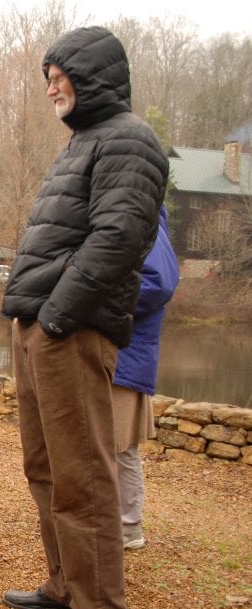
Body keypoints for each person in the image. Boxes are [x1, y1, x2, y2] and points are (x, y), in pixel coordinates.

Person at [0, 27, 169, 609]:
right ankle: (66, 584)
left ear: (93, 74)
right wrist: (28, 316)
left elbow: (118, 239)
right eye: (47, 76)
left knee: (84, 475)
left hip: (70, 330)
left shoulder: (130, 140)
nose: (51, 86)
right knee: (44, 466)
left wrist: (56, 317)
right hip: (40, 326)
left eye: (60, 74)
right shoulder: (85, 144)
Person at [114, 205, 180, 551]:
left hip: (128, 356)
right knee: (108, 446)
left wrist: (98, 301)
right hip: (116, 352)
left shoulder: (147, 219)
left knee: (121, 446)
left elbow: (158, 283)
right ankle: (113, 523)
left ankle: (128, 529)